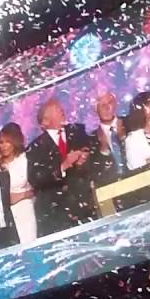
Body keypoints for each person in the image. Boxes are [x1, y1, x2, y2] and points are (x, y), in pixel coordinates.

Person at [26, 97, 100, 236]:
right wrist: (63, 165)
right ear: (45, 121)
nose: (61, 110)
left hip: (85, 202)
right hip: (56, 212)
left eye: (60, 107)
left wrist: (84, 157)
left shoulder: (77, 130)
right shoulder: (35, 148)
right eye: (55, 109)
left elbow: (91, 150)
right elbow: (37, 179)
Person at [0, 123, 38, 244]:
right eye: (1, 142)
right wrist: (24, 194)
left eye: (7, 142)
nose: (4, 146)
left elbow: (35, 186)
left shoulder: (25, 159)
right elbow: (3, 198)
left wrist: (23, 196)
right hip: (7, 215)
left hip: (26, 211)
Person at [93, 92, 127, 177]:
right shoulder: (93, 138)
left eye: (110, 103)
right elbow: (97, 169)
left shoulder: (129, 123)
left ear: (115, 104)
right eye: (102, 105)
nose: (107, 108)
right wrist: (103, 148)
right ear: (96, 110)